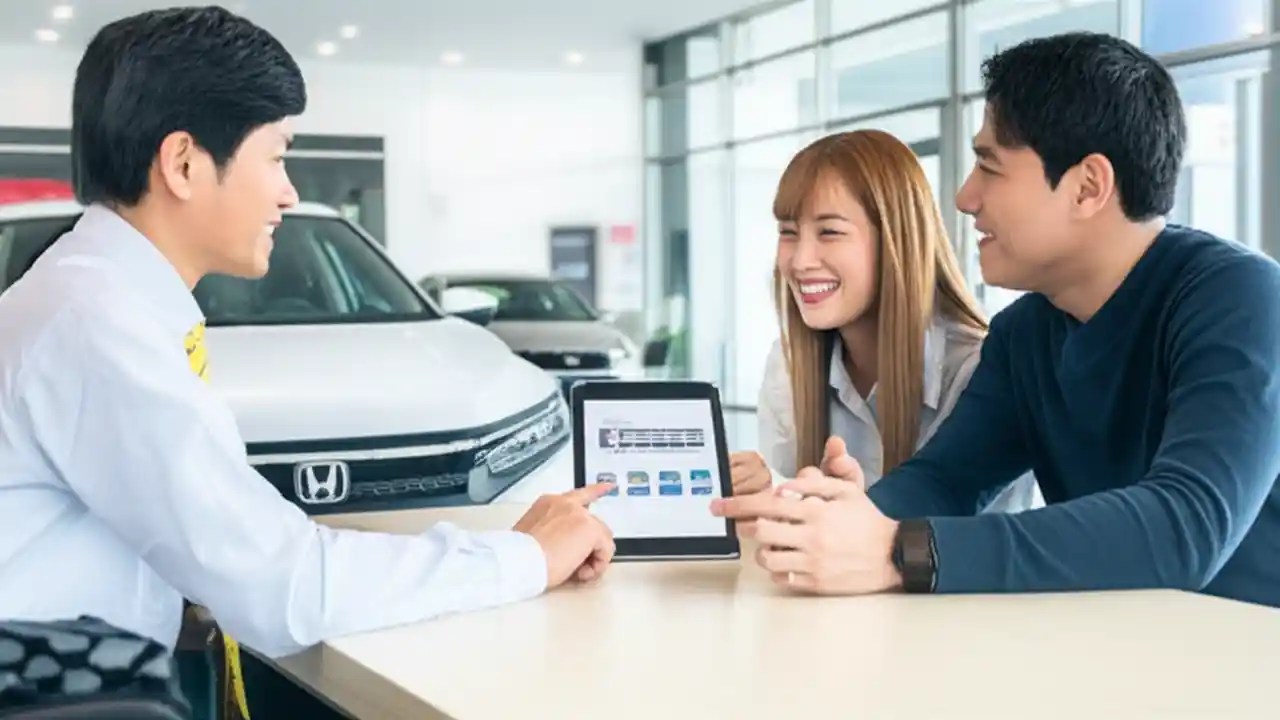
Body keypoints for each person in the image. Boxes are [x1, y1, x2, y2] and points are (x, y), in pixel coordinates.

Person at [0, 4, 615, 711]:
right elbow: (282, 587)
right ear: (183, 163)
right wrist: (526, 557)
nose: (288, 191)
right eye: (277, 155)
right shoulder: (95, 327)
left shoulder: (91, 302)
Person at [712, 31, 1280, 608]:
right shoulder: (1027, 332)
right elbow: (946, 479)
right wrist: (833, 517)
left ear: (1087, 187)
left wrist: (897, 549)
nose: (964, 197)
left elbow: (1187, 527)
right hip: (1124, 655)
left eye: (990, 166)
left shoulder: (1239, 296)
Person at [728, 130, 1040, 519]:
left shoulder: (979, 369)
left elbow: (984, 545)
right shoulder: (788, 366)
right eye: (788, 233)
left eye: (830, 232)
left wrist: (855, 515)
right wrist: (770, 494)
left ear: (897, 240)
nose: (800, 260)